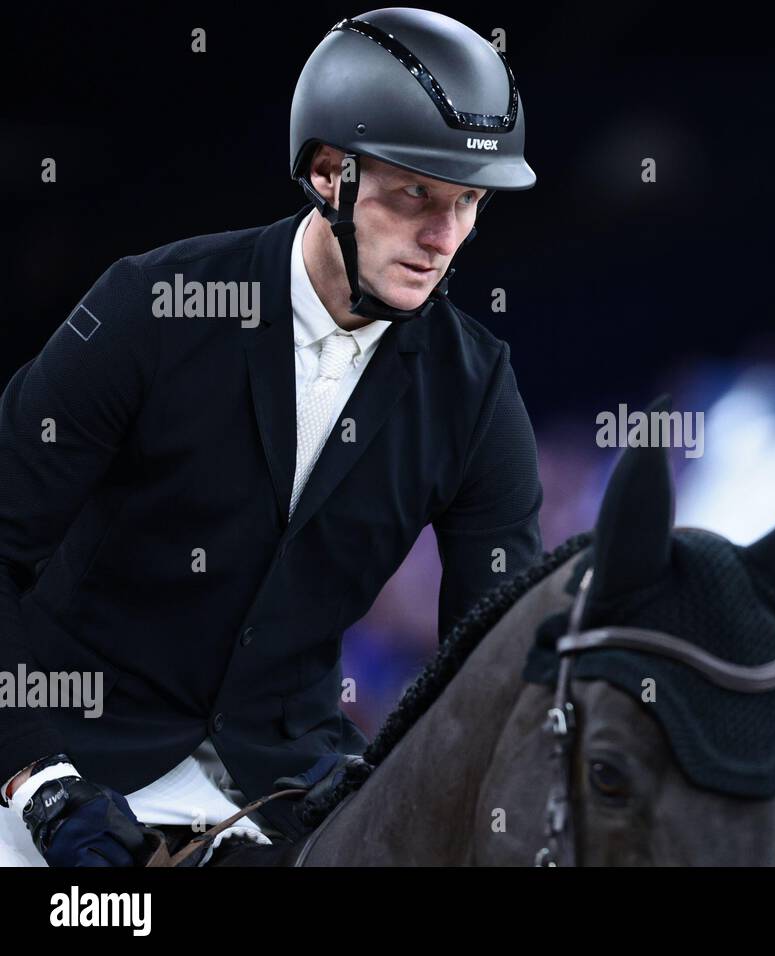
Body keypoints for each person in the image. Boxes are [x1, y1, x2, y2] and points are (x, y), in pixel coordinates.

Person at [0, 8, 542, 866]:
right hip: (63, 770)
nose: (445, 239)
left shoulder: (477, 390)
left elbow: (493, 655)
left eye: (468, 202)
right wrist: (35, 778)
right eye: (416, 195)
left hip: (283, 789)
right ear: (331, 174)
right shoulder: (150, 305)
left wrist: (386, 769)